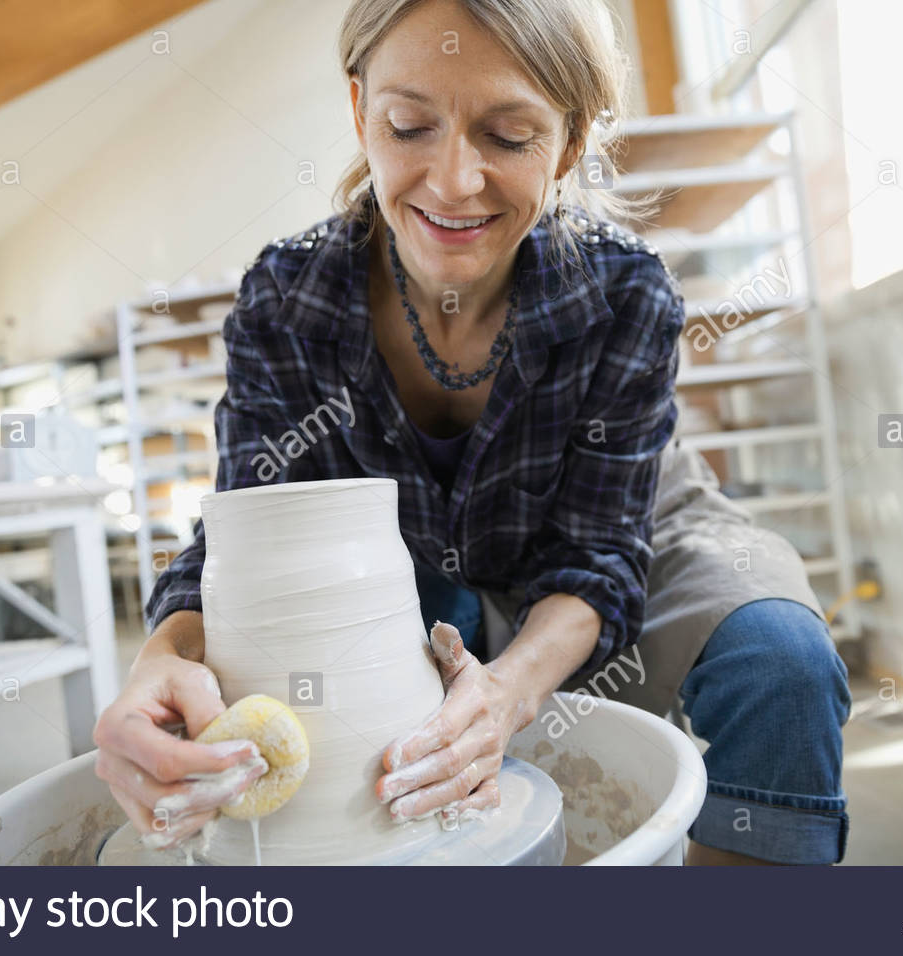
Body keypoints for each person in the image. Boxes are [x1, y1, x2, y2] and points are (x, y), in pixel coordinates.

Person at [93, 0, 851, 866]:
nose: (453, 180)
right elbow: (243, 535)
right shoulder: (287, 302)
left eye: (509, 134)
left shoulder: (625, 293)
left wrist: (508, 695)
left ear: (567, 144)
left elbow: (599, 555)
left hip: (630, 518)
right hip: (396, 552)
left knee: (781, 665)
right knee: (403, 659)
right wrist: (160, 658)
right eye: (409, 125)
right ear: (359, 113)